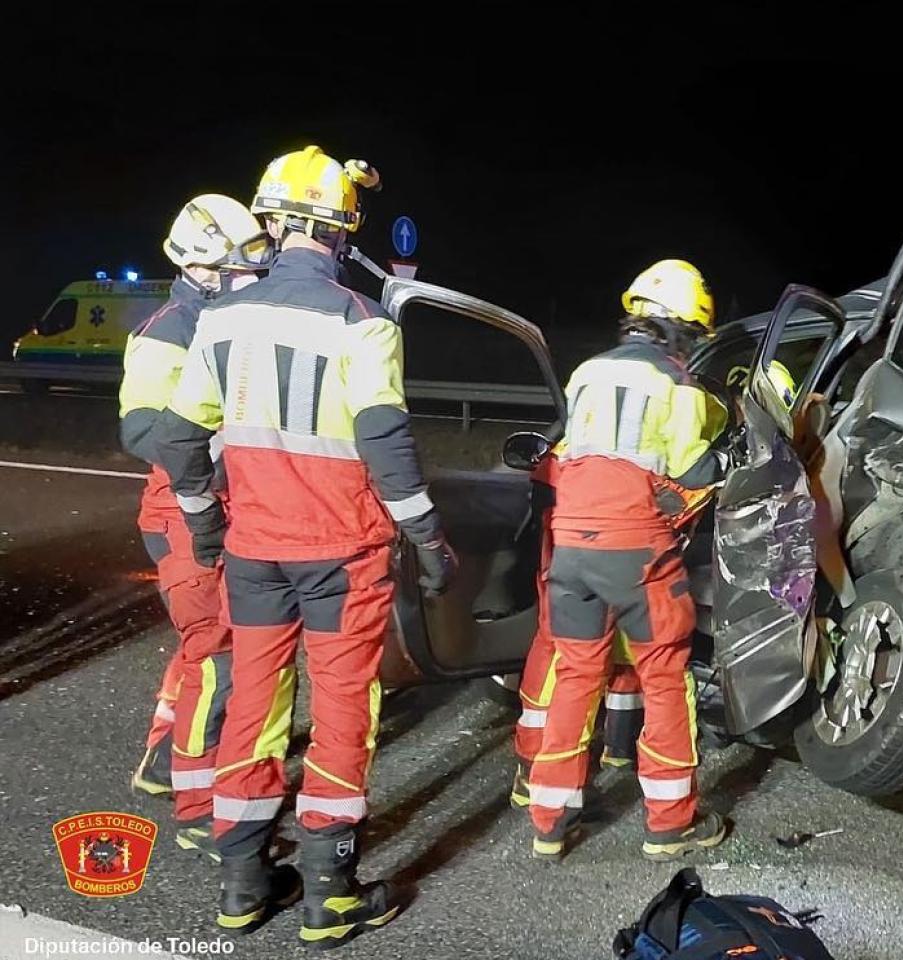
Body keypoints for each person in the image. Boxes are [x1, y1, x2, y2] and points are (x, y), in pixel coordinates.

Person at [157, 146, 456, 946]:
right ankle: (332, 894)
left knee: (252, 705)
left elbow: (183, 438)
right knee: (341, 711)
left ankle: (243, 886)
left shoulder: (219, 317)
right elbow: (386, 441)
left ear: (272, 223)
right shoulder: (361, 322)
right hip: (340, 556)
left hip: (254, 553)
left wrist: (205, 524)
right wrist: (427, 536)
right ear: (340, 230)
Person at [527, 258, 730, 862]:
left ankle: (549, 821)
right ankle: (670, 822)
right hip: (638, 552)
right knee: (665, 678)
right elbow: (692, 470)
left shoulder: (587, 372)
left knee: (575, 675)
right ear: (680, 330)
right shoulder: (680, 387)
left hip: (570, 547)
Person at [123, 195, 272, 863]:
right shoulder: (168, 330)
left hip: (213, 504)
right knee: (217, 657)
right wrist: (215, 449)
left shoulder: (221, 320)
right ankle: (199, 806)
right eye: (231, 268)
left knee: (202, 648)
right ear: (196, 265)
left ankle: (164, 759)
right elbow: (142, 433)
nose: (244, 279)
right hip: (183, 510)